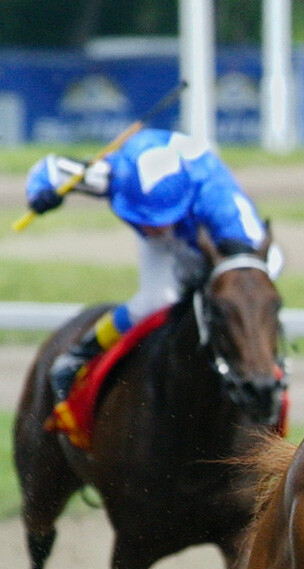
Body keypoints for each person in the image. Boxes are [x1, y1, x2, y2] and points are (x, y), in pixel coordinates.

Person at [25, 127, 269, 405]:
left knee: (242, 301)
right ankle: (81, 353)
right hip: (179, 233)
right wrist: (40, 194)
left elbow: (255, 270)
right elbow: (48, 170)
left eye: (157, 219)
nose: (149, 229)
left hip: (216, 240)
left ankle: (267, 370)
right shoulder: (114, 175)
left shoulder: (225, 208)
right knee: (157, 300)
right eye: (142, 219)